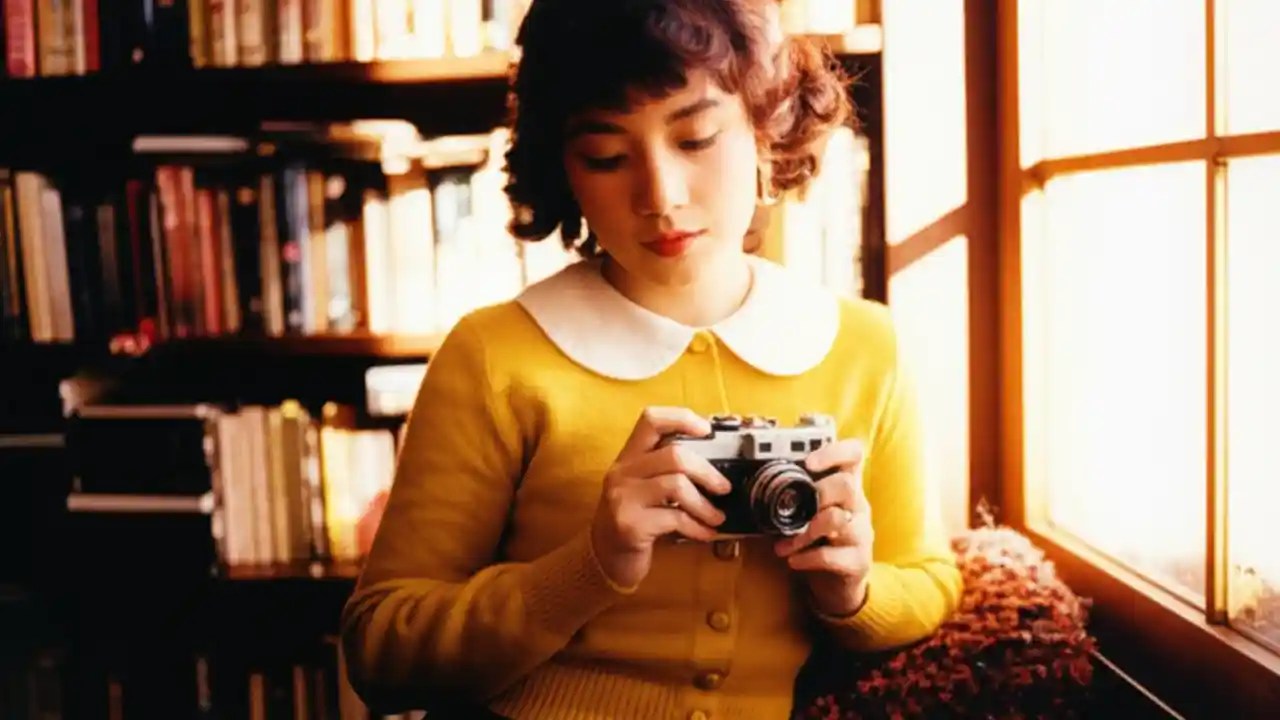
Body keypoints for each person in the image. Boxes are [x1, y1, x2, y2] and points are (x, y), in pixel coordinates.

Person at [340, 1, 963, 718]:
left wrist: (853, 591)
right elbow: (381, 648)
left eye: (696, 138)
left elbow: (929, 579)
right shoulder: (495, 357)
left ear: (765, 128)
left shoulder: (864, 346)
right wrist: (589, 565)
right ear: (563, 170)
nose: (661, 198)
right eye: (605, 157)